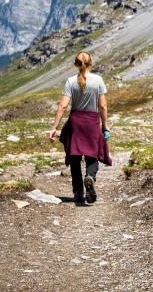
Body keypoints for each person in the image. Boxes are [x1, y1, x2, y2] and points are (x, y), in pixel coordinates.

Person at [49, 51, 112, 205]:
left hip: (75, 122)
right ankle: (89, 176)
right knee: (93, 155)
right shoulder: (98, 80)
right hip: (91, 122)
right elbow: (102, 106)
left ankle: (78, 192)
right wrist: (105, 126)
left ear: (76, 64)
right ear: (90, 63)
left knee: (75, 158)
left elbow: (63, 105)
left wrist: (54, 127)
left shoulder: (70, 81)